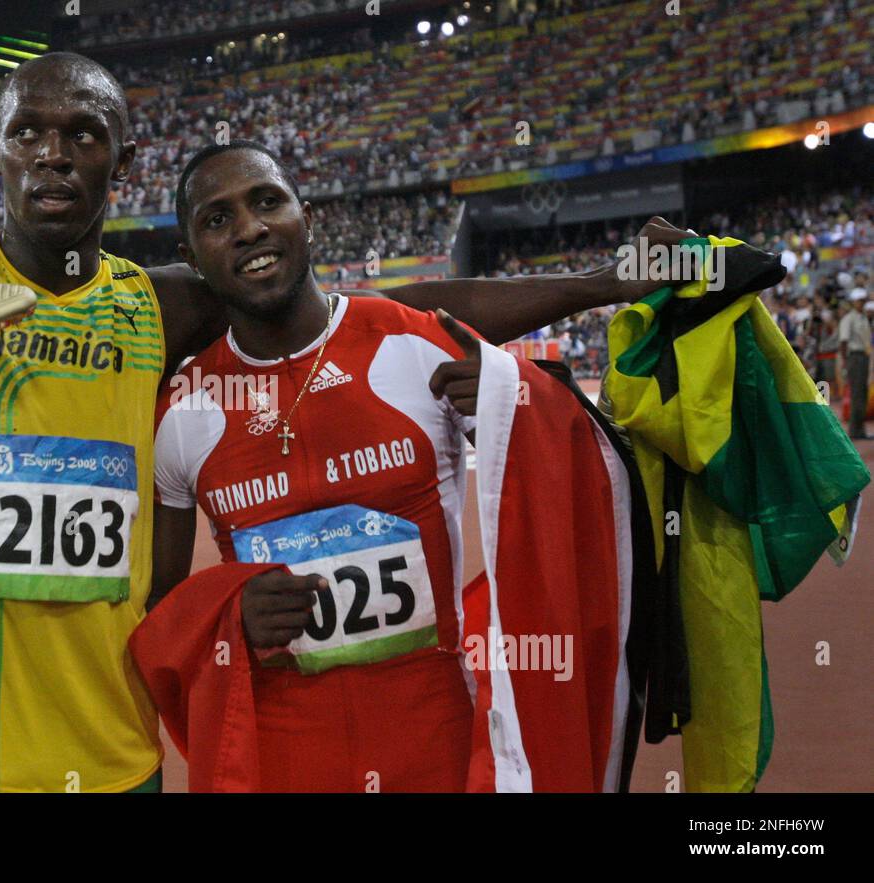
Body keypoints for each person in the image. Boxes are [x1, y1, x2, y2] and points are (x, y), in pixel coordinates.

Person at [0, 57, 675, 794]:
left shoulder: (161, 304)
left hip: (117, 768)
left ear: (119, 157)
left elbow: (396, 313)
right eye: (30, 132)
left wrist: (603, 281)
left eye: (84, 134)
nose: (55, 154)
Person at [133, 141, 683, 792]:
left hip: (436, 747)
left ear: (304, 214)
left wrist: (517, 396)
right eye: (217, 219)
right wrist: (228, 613)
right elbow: (161, 611)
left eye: (266, 200)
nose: (250, 227)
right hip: (282, 760)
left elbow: (571, 474)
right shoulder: (183, 411)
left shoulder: (410, 344)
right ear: (191, 258)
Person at [838, 294, 871, 439]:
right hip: (854, 357)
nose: (861, 303)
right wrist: (846, 362)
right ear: (853, 302)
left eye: (863, 301)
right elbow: (843, 342)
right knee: (857, 394)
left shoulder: (863, 318)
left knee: (862, 394)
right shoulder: (848, 318)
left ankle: (860, 430)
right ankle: (854, 431)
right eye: (859, 301)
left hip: (864, 356)